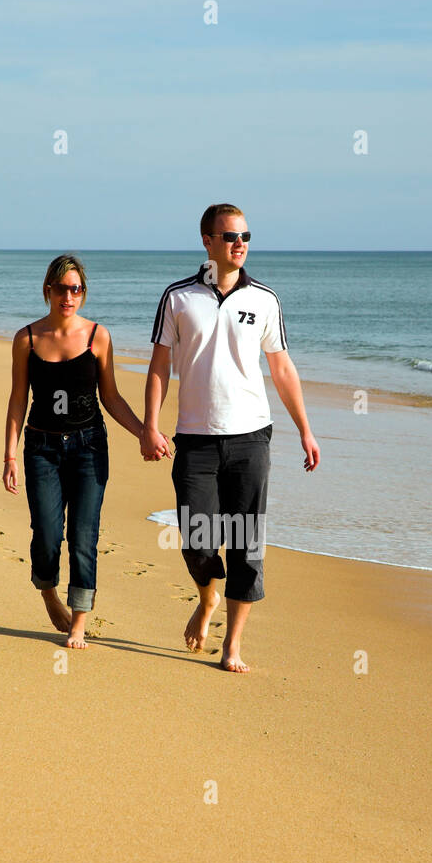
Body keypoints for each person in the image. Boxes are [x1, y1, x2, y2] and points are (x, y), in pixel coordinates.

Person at [142, 204, 320, 673]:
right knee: (197, 542)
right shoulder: (178, 298)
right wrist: (149, 424)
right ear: (207, 241)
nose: (238, 243)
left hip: (250, 439)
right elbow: (160, 364)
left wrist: (305, 429)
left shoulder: (264, 299)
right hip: (195, 439)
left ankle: (232, 646)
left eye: (244, 236)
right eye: (228, 236)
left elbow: (281, 367)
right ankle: (208, 598)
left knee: (245, 544)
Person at [3, 254, 162, 647]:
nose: (68, 296)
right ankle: (47, 591)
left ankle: (79, 621)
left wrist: (145, 432)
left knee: (83, 535)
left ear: (82, 293)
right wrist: (9, 454)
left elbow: (110, 396)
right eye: (61, 288)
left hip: (89, 448)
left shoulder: (98, 337)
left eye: (76, 289)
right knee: (46, 533)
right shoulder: (27, 339)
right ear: (48, 290)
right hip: (41, 448)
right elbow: (17, 400)